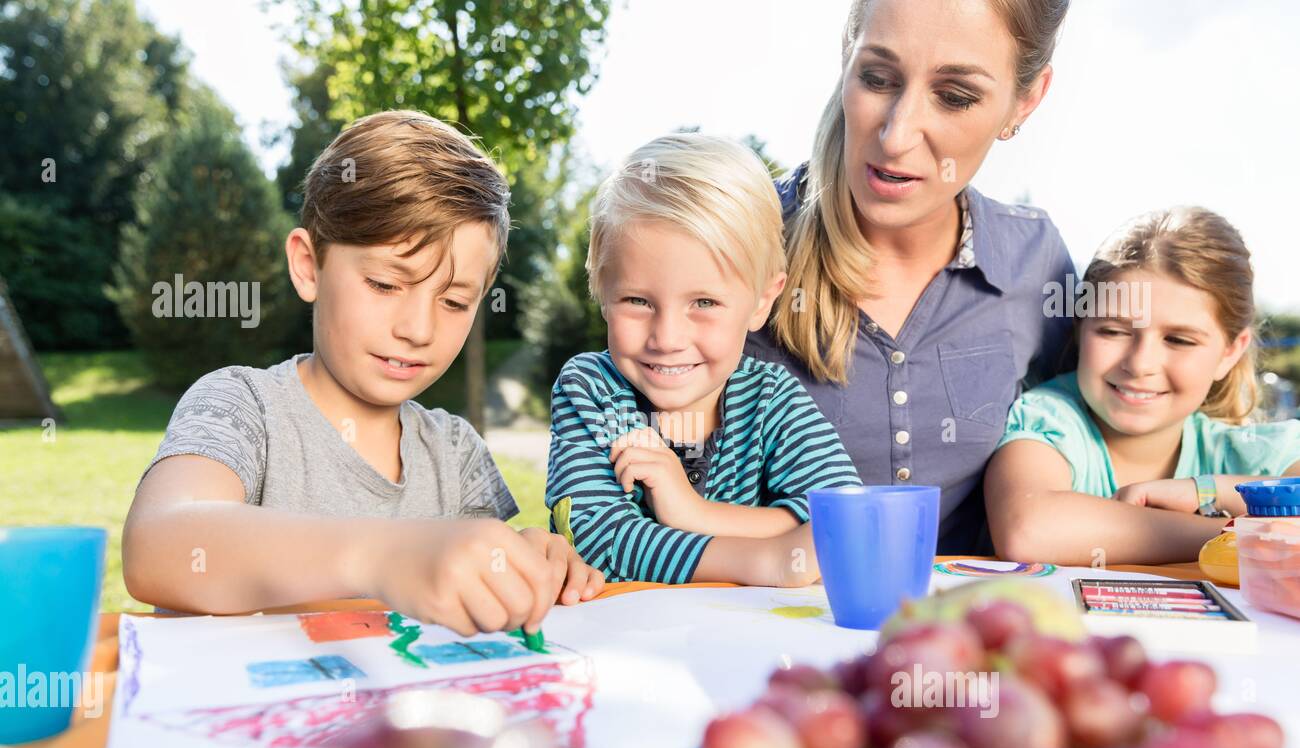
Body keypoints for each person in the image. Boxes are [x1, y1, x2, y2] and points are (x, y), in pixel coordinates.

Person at [123, 110, 603, 634]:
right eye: (383, 284)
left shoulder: (456, 453)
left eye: (455, 300)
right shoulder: (243, 406)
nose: (418, 329)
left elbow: (479, 601)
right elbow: (159, 545)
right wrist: (383, 557)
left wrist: (524, 564)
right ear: (309, 266)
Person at [744, 0, 1073, 553]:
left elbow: (1105, 449)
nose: (896, 137)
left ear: (1026, 100)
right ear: (847, 51)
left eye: (955, 96)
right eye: (876, 78)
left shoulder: (1037, 262)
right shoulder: (738, 240)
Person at [546, 134, 862, 586]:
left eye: (704, 303)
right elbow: (599, 540)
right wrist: (767, 558)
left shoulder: (771, 397)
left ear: (762, 302)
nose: (668, 338)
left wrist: (693, 512)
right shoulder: (590, 390)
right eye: (637, 300)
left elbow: (844, 516)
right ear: (601, 292)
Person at [986, 207, 1300, 566]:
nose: (1139, 364)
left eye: (1179, 340)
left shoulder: (1244, 451)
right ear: (1080, 328)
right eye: (1113, 331)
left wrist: (1207, 491)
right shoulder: (1051, 419)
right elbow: (1029, 531)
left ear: (1229, 353)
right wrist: (1246, 534)